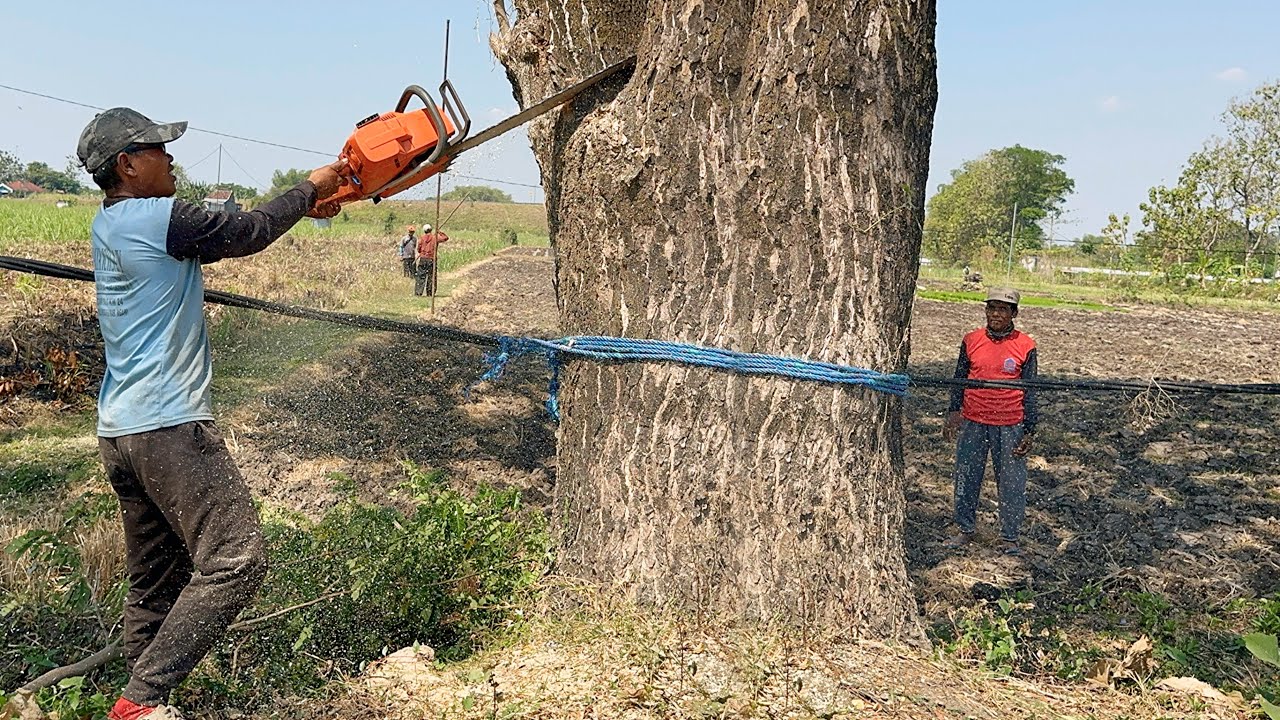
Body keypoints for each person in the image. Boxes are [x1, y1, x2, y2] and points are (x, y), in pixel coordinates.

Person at [76, 107, 345, 720]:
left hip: (121, 432)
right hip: (169, 426)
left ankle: (139, 705)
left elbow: (230, 231)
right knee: (237, 558)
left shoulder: (113, 224)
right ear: (127, 164)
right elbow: (244, 232)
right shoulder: (157, 217)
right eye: (158, 150)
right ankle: (142, 700)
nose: (171, 159)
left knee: (155, 582)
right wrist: (313, 186)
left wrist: (302, 207)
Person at [943, 287, 1038, 556]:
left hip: (1010, 423)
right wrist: (953, 411)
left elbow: (1031, 388)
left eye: (1003, 309)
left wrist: (1030, 429)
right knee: (966, 475)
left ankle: (1010, 537)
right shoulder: (971, 340)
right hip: (973, 419)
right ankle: (965, 529)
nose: (996, 314)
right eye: (992, 308)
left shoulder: (1026, 346)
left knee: (1011, 481)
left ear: (1014, 314)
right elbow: (959, 377)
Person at [414, 222, 449, 296]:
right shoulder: (435, 238)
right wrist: (439, 232)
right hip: (432, 259)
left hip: (423, 259)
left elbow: (418, 249)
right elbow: (445, 238)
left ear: (424, 231)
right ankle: (430, 293)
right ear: (431, 230)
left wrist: (422, 252)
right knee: (431, 277)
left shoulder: (422, 238)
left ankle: (418, 292)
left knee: (420, 276)